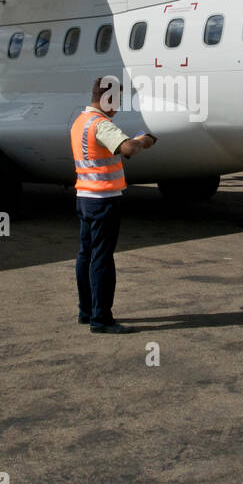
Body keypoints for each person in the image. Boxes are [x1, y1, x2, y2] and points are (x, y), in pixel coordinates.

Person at [71, 76, 157, 333]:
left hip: (85, 197)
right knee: (102, 259)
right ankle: (101, 319)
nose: (118, 107)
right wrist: (144, 140)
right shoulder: (100, 124)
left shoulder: (80, 122)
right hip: (104, 201)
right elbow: (128, 148)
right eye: (117, 101)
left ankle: (86, 311)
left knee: (85, 256)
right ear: (106, 99)